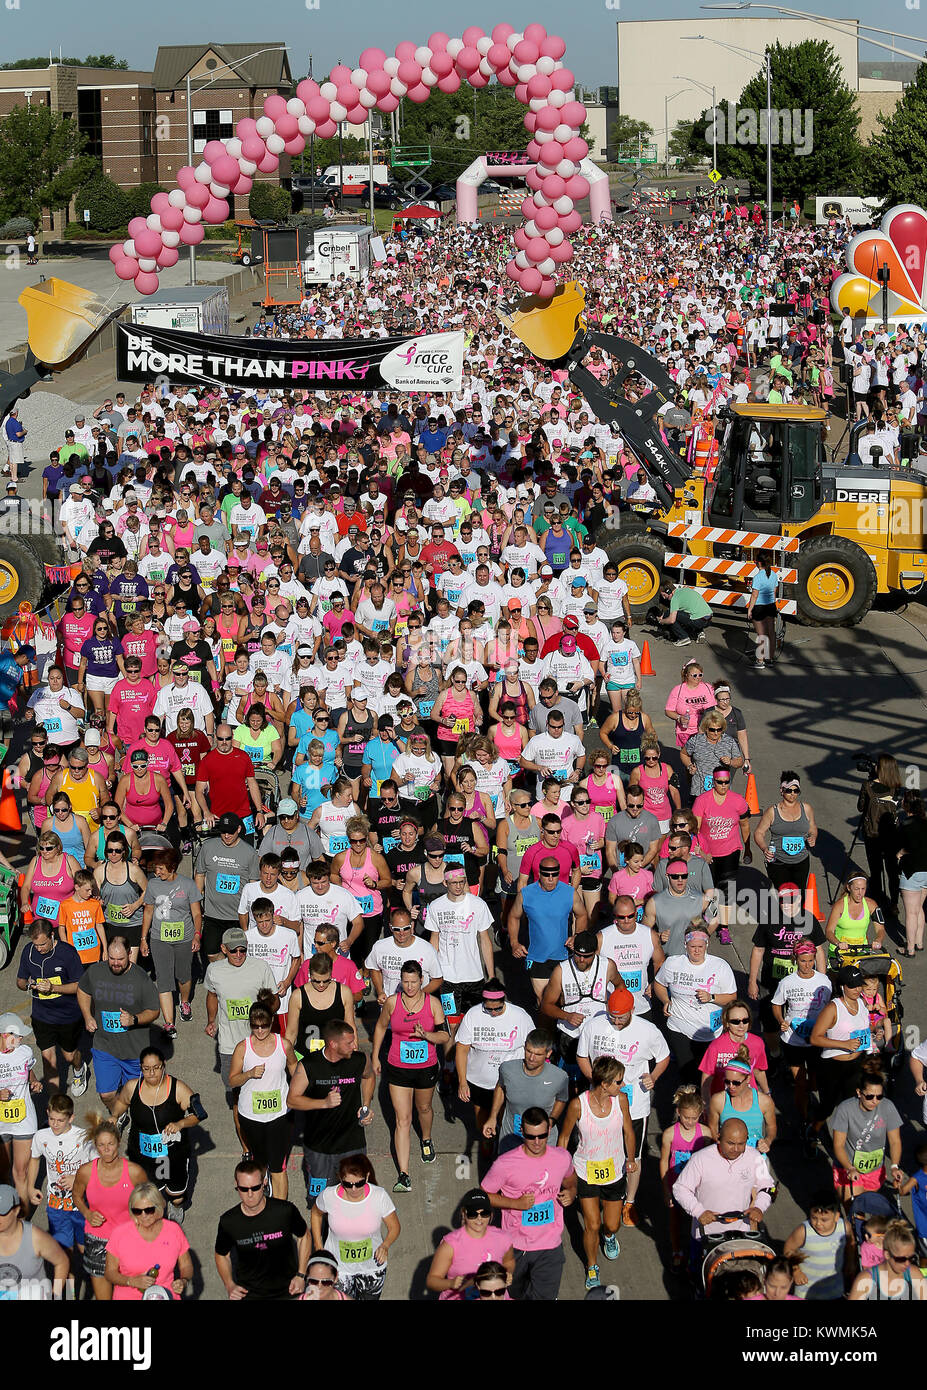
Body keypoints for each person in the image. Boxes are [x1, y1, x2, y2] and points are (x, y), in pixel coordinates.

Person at [575, 986, 669, 1225]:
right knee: (594, 1148)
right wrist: (593, 1081)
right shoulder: (594, 1025)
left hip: (634, 1105)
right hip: (598, 1104)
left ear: (632, 1011)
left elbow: (663, 1057)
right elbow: (582, 1056)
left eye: (621, 1017)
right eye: (612, 1016)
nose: (615, 1021)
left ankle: (630, 1202)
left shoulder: (648, 1031)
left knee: (633, 1155)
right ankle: (595, 1193)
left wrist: (655, 1077)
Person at [558, 1054, 637, 1289]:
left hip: (614, 1170)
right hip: (585, 1170)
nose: (622, 1085)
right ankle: (592, 1266)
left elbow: (629, 1132)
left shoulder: (621, 1100)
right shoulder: (577, 1105)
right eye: (618, 1081)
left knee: (611, 1224)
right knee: (592, 1225)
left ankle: (609, 1236)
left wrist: (631, 1159)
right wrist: (561, 1170)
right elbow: (563, 1138)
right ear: (605, 1083)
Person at [481, 1106, 576, 1302]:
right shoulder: (505, 1163)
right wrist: (516, 1203)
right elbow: (484, 1195)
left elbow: (570, 1179)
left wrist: (572, 1193)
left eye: (542, 1136)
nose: (537, 1142)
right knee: (514, 1295)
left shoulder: (561, 1157)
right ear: (522, 1132)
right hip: (516, 1245)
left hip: (550, 1245)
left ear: (549, 1131)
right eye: (531, 1137)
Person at [372, 960, 449, 1193]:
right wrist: (375, 1056)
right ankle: (403, 1174)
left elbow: (445, 1036)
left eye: (414, 982)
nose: (410, 986)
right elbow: (379, 1027)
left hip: (425, 1067)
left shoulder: (432, 1003)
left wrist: (426, 1035)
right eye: (405, 982)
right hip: (398, 1067)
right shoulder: (393, 1003)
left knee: (423, 1109)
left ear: (421, 981)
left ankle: (426, 1139)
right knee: (402, 1119)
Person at [286, 1018, 375, 1204]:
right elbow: (292, 1100)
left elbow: (369, 1076)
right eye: (349, 1043)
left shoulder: (359, 1059)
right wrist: (324, 1103)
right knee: (320, 1201)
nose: (354, 1045)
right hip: (320, 1148)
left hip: (352, 1144)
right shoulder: (309, 1065)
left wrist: (365, 1106)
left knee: (356, 1196)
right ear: (333, 1044)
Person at [203, 927, 276, 1155]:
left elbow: (273, 1001)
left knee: (265, 1093)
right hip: (229, 1046)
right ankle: (247, 1149)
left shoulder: (261, 968)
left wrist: (264, 1012)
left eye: (242, 950)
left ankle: (266, 1138)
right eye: (233, 950)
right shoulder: (214, 970)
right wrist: (211, 1020)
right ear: (223, 949)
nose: (238, 954)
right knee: (239, 1099)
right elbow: (212, 995)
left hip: (259, 1045)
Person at [110, 1046, 200, 1220]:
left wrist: (181, 1123)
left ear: (164, 1065)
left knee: (176, 1192)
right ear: (141, 1068)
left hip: (172, 1152)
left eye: (156, 1068)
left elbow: (199, 1114)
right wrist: (114, 1116)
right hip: (142, 1151)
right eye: (146, 1069)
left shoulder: (177, 1088)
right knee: (148, 1190)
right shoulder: (132, 1087)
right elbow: (121, 1102)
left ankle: (176, 1205)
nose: (151, 1073)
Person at [76, 936, 161, 1113]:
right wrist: (87, 1016)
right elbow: (83, 990)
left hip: (134, 1050)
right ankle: (118, 1114)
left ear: (130, 954)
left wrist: (134, 1019)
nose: (115, 963)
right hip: (105, 1046)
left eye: (120, 959)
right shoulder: (96, 971)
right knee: (106, 1094)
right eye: (112, 959)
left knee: (137, 1096)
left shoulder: (141, 979)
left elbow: (154, 1011)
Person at [229, 993, 298, 1201]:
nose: (260, 1031)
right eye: (255, 1026)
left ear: (271, 1023)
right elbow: (232, 1080)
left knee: (278, 1166)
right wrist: (249, 1074)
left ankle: (279, 1210)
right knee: (259, 1161)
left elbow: (294, 1066)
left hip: (279, 1115)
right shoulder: (243, 1048)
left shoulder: (283, 1044)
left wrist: (300, 1087)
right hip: (251, 1115)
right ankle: (261, 1192)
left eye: (264, 1026)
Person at [72, 1115, 147, 1301]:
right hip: (97, 1241)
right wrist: (87, 1213)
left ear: (119, 1142)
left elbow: (151, 1202)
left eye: (111, 1144)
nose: (106, 1150)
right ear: (95, 1146)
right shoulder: (86, 1172)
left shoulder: (134, 1172)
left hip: (128, 1241)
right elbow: (76, 1196)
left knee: (132, 1295)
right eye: (101, 1145)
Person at [214, 1157, 310, 1301]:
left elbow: (304, 1236)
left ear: (264, 1183)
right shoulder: (229, 1221)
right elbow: (221, 1254)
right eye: (244, 1189)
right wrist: (230, 1285)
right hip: (250, 1294)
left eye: (255, 1187)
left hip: (289, 1291)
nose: (250, 1194)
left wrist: (301, 1275)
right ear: (236, 1185)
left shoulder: (284, 1211)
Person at [673, 1117, 775, 1250]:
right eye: (731, 1143)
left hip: (741, 1234)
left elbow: (768, 1187)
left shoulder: (754, 1157)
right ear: (719, 1137)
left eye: (741, 1143)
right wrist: (699, 1212)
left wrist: (759, 1207)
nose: (736, 1149)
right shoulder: (700, 1159)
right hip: (706, 1235)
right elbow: (680, 1189)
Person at [310, 1153, 401, 1301]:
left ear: (367, 1177)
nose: (353, 1189)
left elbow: (395, 1227)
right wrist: (318, 1246)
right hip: (339, 1269)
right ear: (340, 1179)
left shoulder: (379, 1196)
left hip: (372, 1268)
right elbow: (316, 1213)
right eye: (347, 1184)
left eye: (359, 1184)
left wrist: (385, 1245)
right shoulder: (329, 1196)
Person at [653, 927, 736, 1082]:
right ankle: (691, 1101)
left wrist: (711, 997)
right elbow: (658, 984)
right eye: (693, 947)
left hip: (710, 1031)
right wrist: (666, 1000)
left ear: (707, 945)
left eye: (700, 947)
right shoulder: (673, 963)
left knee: (709, 1073)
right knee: (688, 1073)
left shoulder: (720, 966)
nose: (697, 951)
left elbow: (732, 997)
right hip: (679, 1026)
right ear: (685, 944)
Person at [15, 920, 87, 1097]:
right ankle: (54, 1104)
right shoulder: (29, 952)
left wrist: (53, 988)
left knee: (69, 1056)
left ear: (52, 936)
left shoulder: (67, 953)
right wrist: (28, 984)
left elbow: (79, 985)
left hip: (67, 1016)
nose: (38, 949)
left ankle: (80, 1069)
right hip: (42, 1016)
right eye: (35, 944)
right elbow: (20, 981)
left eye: (42, 944)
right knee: (48, 1060)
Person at [27, 1092, 94, 1269]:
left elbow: (97, 1165)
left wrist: (77, 1179)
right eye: (51, 1119)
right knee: (64, 1253)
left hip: (81, 1204)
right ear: (47, 1113)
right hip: (57, 1205)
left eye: (60, 1120)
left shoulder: (84, 1137)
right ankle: (70, 1291)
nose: (55, 1124)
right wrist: (30, 1187)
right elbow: (34, 1159)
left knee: (84, 1247)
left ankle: (91, 1282)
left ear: (71, 1117)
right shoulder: (41, 1136)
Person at [140, 848, 202, 1037]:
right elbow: (148, 912)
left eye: (160, 868)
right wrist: (144, 938)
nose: (157, 872)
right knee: (164, 978)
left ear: (172, 867)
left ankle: (184, 1002)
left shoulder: (188, 885)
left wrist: (197, 935)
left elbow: (197, 913)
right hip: (160, 939)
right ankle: (169, 1023)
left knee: (183, 975)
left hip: (184, 938)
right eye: (156, 869)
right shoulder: (153, 885)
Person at [508, 856, 588, 1000]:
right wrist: (514, 942)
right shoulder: (526, 894)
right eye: (546, 874)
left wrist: (577, 936)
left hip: (563, 956)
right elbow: (513, 916)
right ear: (539, 873)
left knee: (565, 1000)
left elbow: (582, 915)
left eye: (554, 874)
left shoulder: (569, 892)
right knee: (544, 1002)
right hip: (537, 958)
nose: (550, 878)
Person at [483, 1031, 569, 1155]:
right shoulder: (507, 1069)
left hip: (542, 1142)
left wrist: (552, 1120)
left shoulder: (560, 1077)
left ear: (548, 1053)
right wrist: (492, 1117)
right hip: (511, 1138)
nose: (531, 1058)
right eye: (529, 1051)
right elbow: (500, 1088)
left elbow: (562, 1099)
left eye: (538, 1054)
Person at [105, 1179, 192, 1300]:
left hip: (166, 1295)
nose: (143, 1215)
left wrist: (183, 1281)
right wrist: (131, 1281)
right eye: (137, 1211)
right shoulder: (120, 1234)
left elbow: (186, 1265)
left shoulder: (173, 1230)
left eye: (149, 1210)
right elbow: (110, 1273)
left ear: (159, 1206)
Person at [425, 1187, 516, 1299]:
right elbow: (432, 1280)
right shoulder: (450, 1244)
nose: (479, 1219)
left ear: (491, 1214)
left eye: (484, 1213)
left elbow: (509, 1261)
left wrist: (507, 1273)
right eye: (473, 1214)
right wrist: (451, 1283)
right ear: (464, 1213)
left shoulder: (503, 1238)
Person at [659, 1084, 712, 1270]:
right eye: (686, 1117)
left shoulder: (705, 1133)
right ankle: (676, 1250)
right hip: (676, 1183)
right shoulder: (669, 1134)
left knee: (695, 1218)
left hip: (697, 1186)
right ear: (678, 1112)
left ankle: (694, 1250)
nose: (690, 1122)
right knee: (675, 1219)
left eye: (694, 1118)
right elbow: (664, 1161)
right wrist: (666, 1189)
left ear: (700, 1115)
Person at [831, 1074, 904, 1203]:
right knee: (855, 1211)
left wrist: (894, 1166)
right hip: (848, 1168)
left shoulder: (888, 1107)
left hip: (874, 1169)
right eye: (870, 1096)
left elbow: (895, 1141)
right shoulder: (845, 1109)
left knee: (867, 1206)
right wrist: (850, 1168)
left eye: (879, 1096)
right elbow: (838, 1145)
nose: (875, 1101)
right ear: (859, 1092)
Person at [0, 1013, 42, 1211]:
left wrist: (33, 1081)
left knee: (21, 1173)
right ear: (4, 1035)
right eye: (17, 1036)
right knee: (2, 1173)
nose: (21, 1040)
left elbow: (28, 1069)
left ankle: (22, 1220)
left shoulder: (24, 1051)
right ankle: (7, 1211)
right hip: (1, 1124)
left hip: (24, 1119)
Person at [0, 1182, 69, 1301]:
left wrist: (55, 1295)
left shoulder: (35, 1237)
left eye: (2, 1212)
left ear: (16, 1210)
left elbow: (62, 1262)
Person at [753, 771, 819, 894]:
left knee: (799, 896)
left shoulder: (807, 809)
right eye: (789, 790)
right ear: (781, 790)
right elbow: (759, 833)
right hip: (778, 862)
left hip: (801, 861)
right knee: (784, 896)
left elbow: (813, 828)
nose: (792, 794)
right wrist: (764, 848)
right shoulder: (772, 811)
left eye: (796, 790)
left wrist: (813, 837)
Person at [856, 753, 903, 908]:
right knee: (892, 871)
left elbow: (861, 807)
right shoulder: (897, 789)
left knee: (876, 871)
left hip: (872, 834)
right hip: (892, 836)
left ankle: (877, 902)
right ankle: (894, 903)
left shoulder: (868, 786)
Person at [707, 1058, 777, 1153]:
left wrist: (767, 1141)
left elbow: (771, 1127)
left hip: (755, 1155)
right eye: (727, 1082)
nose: (731, 1086)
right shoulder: (718, 1100)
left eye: (736, 1083)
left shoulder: (764, 1101)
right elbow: (712, 1128)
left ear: (748, 1079)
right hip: (727, 1155)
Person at [847, 1219, 926, 1301]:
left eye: (911, 1258)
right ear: (887, 1254)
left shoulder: (913, 1274)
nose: (907, 1263)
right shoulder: (865, 1280)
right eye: (901, 1259)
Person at [823, 874, 884, 962]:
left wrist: (878, 940)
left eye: (863, 889)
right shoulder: (839, 905)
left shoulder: (871, 904)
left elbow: (880, 929)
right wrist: (838, 943)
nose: (860, 893)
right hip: (840, 953)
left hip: (861, 952)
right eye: (856, 889)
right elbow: (829, 931)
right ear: (849, 888)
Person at [897, 788, 927, 955]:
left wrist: (900, 853)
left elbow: (906, 846)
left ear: (906, 805)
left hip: (911, 872)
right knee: (919, 908)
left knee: (911, 912)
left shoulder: (906, 825)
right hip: (926, 870)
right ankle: (919, 942)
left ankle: (909, 948)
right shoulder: (926, 822)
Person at [654, 580, 712, 645]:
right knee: (691, 612)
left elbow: (672, 620)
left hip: (699, 621)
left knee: (670, 615)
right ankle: (699, 632)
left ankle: (683, 638)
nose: (664, 598)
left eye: (664, 595)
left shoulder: (675, 598)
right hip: (709, 619)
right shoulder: (685, 590)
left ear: (668, 591)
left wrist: (661, 621)